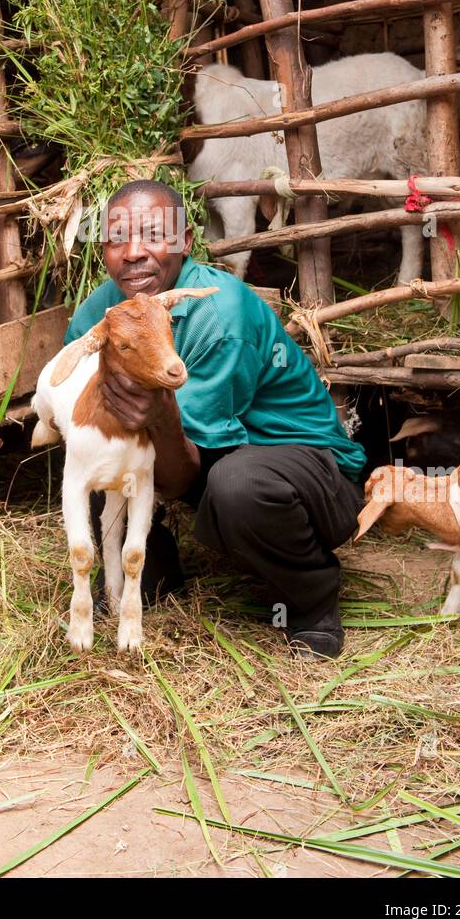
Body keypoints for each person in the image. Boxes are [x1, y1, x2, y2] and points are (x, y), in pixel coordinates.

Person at [62, 179, 366, 659]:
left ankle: (310, 602)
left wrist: (159, 412)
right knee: (101, 444)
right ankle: (152, 571)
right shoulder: (99, 316)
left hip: (306, 473)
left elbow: (183, 473)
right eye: (118, 238)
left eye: (153, 234)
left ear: (185, 241)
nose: (134, 252)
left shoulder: (217, 314)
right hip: (211, 454)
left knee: (237, 485)